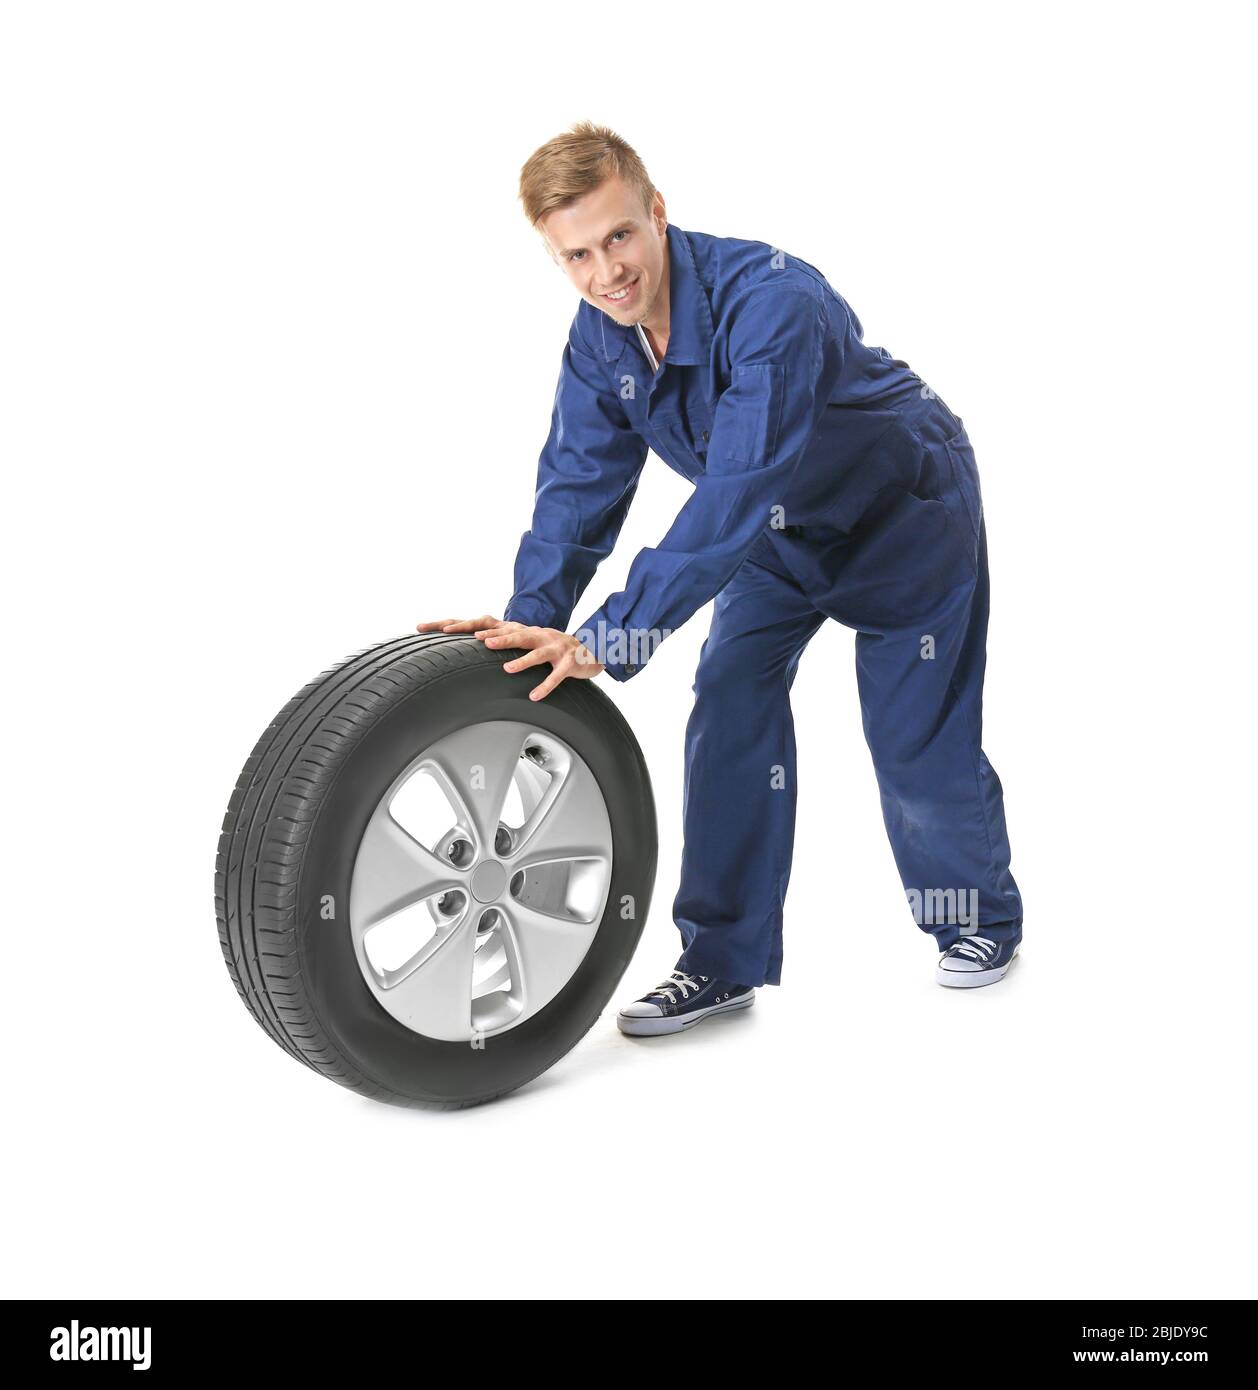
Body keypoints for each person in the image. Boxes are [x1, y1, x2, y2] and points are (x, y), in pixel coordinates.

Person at [419, 122, 1022, 1036]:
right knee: (728, 702)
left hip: (902, 514)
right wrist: (528, 632)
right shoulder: (600, 340)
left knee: (911, 744)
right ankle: (719, 962)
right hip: (777, 534)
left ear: (657, 213)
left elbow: (737, 485)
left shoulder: (773, 303)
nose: (606, 272)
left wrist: (610, 637)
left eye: (619, 236)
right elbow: (576, 493)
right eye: (576, 255)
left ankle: (974, 920)